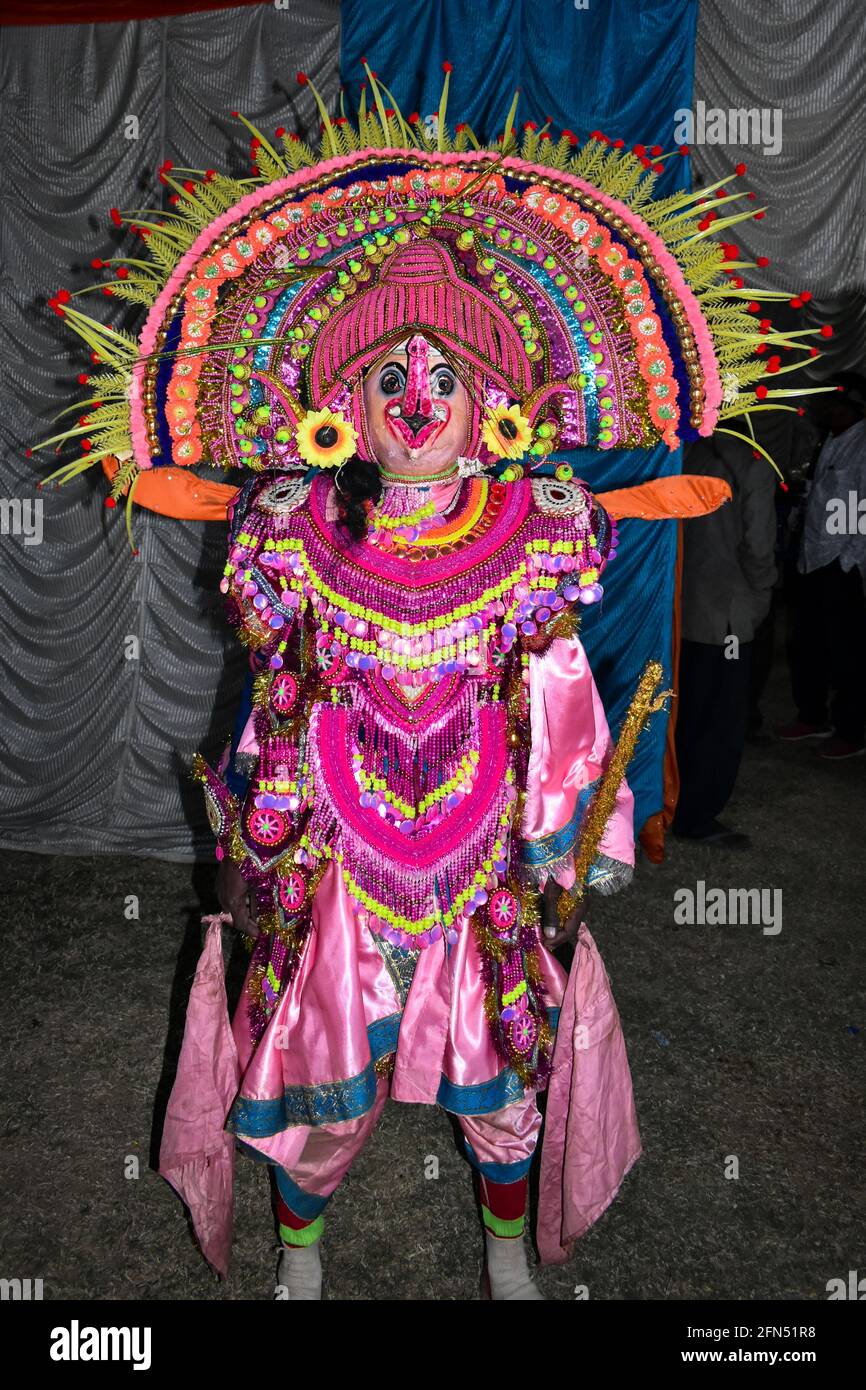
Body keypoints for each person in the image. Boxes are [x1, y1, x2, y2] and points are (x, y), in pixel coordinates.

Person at [36, 67, 827, 1299]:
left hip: (485, 840)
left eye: (444, 382)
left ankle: (504, 1244)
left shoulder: (533, 522)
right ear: (339, 402)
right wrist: (266, 811)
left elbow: (559, 683)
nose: (415, 407)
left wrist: (581, 829)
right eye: (388, 384)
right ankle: (302, 1253)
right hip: (341, 845)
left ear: (491, 405)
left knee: (503, 1059)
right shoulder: (293, 520)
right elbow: (275, 691)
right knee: (314, 1048)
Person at [673, 428, 778, 846]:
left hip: (685, 607)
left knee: (690, 710)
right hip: (727, 619)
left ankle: (674, 802)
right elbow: (758, 545)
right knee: (720, 716)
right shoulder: (752, 464)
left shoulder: (686, 453)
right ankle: (697, 815)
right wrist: (762, 595)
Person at [779, 372, 866, 758]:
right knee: (806, 643)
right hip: (811, 555)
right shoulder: (827, 439)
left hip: (841, 561)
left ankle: (850, 730)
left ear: (854, 406)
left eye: (835, 404)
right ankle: (811, 714)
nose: (827, 411)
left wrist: (850, 561)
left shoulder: (862, 444)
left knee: (846, 650)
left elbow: (860, 508)